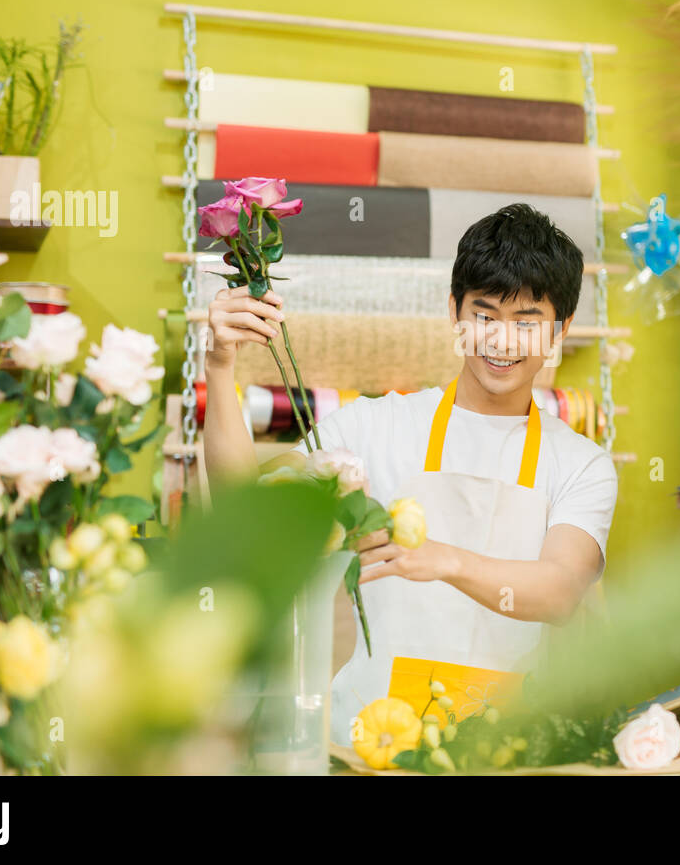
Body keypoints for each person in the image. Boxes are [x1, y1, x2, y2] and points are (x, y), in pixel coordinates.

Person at [202, 203, 618, 745]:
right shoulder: (376, 425)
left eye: (528, 321)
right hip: (367, 745)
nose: (501, 340)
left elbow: (561, 590)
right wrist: (219, 367)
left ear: (558, 331)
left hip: (506, 746)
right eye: (485, 314)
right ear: (454, 312)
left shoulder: (581, 463)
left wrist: (447, 560)